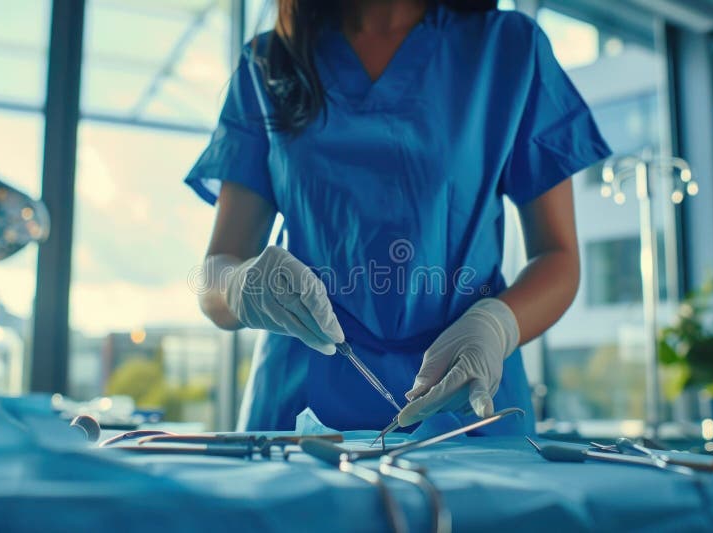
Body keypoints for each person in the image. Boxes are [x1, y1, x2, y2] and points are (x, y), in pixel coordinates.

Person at [186, 0, 611, 435]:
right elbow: (214, 272)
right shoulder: (268, 62)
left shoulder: (509, 50)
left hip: (469, 407)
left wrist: (497, 325)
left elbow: (558, 257)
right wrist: (239, 286)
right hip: (298, 413)